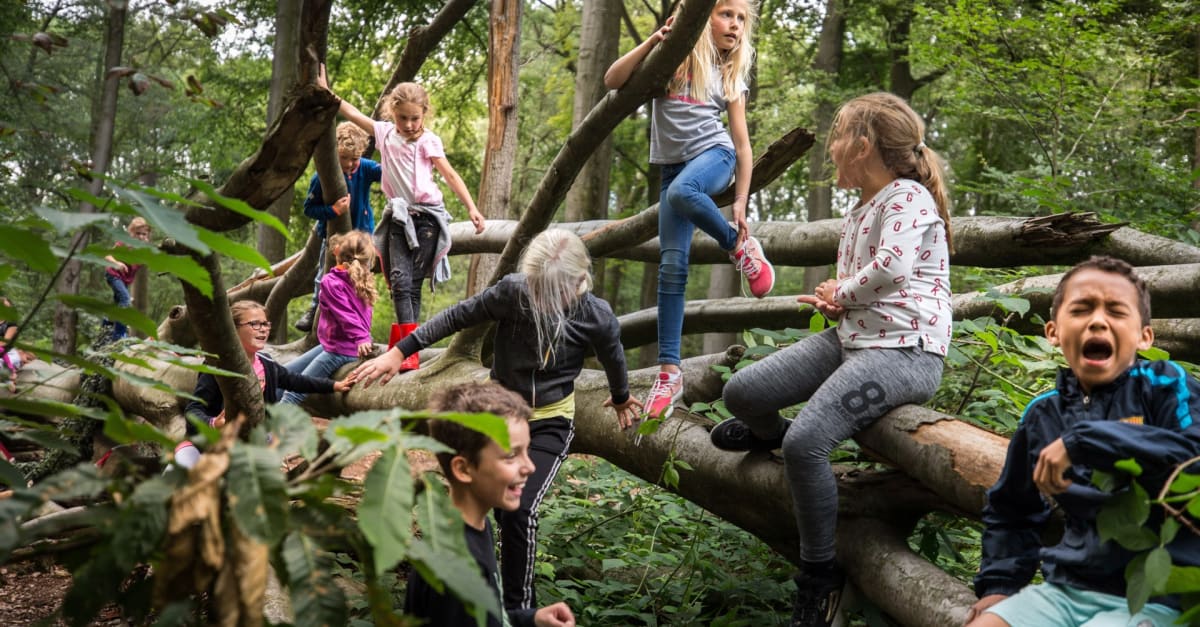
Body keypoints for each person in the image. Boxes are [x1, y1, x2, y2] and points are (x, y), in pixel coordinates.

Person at [707, 92, 953, 626]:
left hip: (904, 351)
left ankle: (819, 574)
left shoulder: (907, 198)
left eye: (839, 137)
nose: (833, 149)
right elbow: (868, 285)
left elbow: (892, 269)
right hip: (852, 337)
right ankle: (766, 435)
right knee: (741, 392)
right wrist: (836, 299)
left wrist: (840, 292)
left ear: (863, 146)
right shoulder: (863, 208)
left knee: (806, 444)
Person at [354, 229, 642, 612]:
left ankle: (520, 609)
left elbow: (613, 357)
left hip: (549, 420)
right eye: (539, 287)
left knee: (519, 508)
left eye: (553, 291)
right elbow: (459, 314)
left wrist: (622, 397)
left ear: (578, 281)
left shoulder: (597, 316)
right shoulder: (514, 292)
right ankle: (472, 586)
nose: (543, 299)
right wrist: (400, 352)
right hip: (498, 414)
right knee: (478, 499)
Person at [965, 256, 1200, 627]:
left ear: (1144, 336)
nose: (1097, 320)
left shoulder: (1168, 385)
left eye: (1117, 311)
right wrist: (1000, 584)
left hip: (1158, 595)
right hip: (1067, 589)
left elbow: (1193, 457)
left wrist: (1083, 441)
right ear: (1054, 331)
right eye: (1082, 309)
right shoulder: (1043, 415)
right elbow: (1011, 509)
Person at [604, 0, 774, 420]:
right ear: (703, 17)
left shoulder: (729, 74)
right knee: (671, 266)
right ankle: (669, 372)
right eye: (725, 14)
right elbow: (613, 80)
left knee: (683, 192)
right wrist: (653, 41)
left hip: (715, 157)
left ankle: (738, 246)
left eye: (740, 18)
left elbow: (742, 144)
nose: (733, 24)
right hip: (672, 170)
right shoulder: (672, 61)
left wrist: (740, 201)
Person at [318, 65, 486, 371]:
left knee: (411, 285)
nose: (409, 124)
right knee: (398, 281)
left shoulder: (428, 141)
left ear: (424, 114)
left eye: (415, 118)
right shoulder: (384, 133)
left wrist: (472, 208)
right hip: (397, 215)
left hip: (425, 219)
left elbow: (448, 174)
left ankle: (408, 350)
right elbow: (352, 114)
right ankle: (407, 347)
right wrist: (327, 92)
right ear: (392, 113)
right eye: (403, 118)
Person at [405, 381, 576, 627]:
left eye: (527, 451)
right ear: (464, 469)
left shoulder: (476, 525)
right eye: (511, 456)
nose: (530, 467)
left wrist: (532, 619)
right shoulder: (456, 571)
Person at [175, 301, 354, 469]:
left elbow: (297, 381)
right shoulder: (217, 367)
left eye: (265, 324)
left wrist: (334, 386)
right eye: (254, 324)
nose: (263, 330)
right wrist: (214, 423)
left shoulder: (267, 365)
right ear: (233, 330)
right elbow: (193, 410)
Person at [295, 121, 383, 332]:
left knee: (362, 274)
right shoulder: (321, 178)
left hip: (362, 236)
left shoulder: (366, 168)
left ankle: (359, 315)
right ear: (335, 154)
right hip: (334, 237)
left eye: (355, 159)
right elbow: (309, 208)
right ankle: (316, 307)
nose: (351, 164)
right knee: (325, 274)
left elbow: (387, 172)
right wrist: (332, 211)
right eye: (344, 158)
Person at [282, 231, 378, 405]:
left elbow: (346, 315)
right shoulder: (361, 279)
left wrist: (361, 337)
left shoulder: (331, 282)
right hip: (340, 345)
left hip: (341, 351)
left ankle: (269, 431)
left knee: (293, 392)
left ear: (337, 254)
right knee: (283, 374)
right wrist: (362, 338)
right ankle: (261, 412)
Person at [103, 217, 152, 340]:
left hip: (125, 280)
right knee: (125, 299)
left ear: (147, 236)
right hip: (114, 274)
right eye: (137, 234)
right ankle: (120, 334)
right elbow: (107, 256)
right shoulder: (124, 244)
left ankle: (107, 324)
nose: (140, 237)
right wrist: (117, 263)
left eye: (143, 234)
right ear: (131, 233)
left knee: (117, 304)